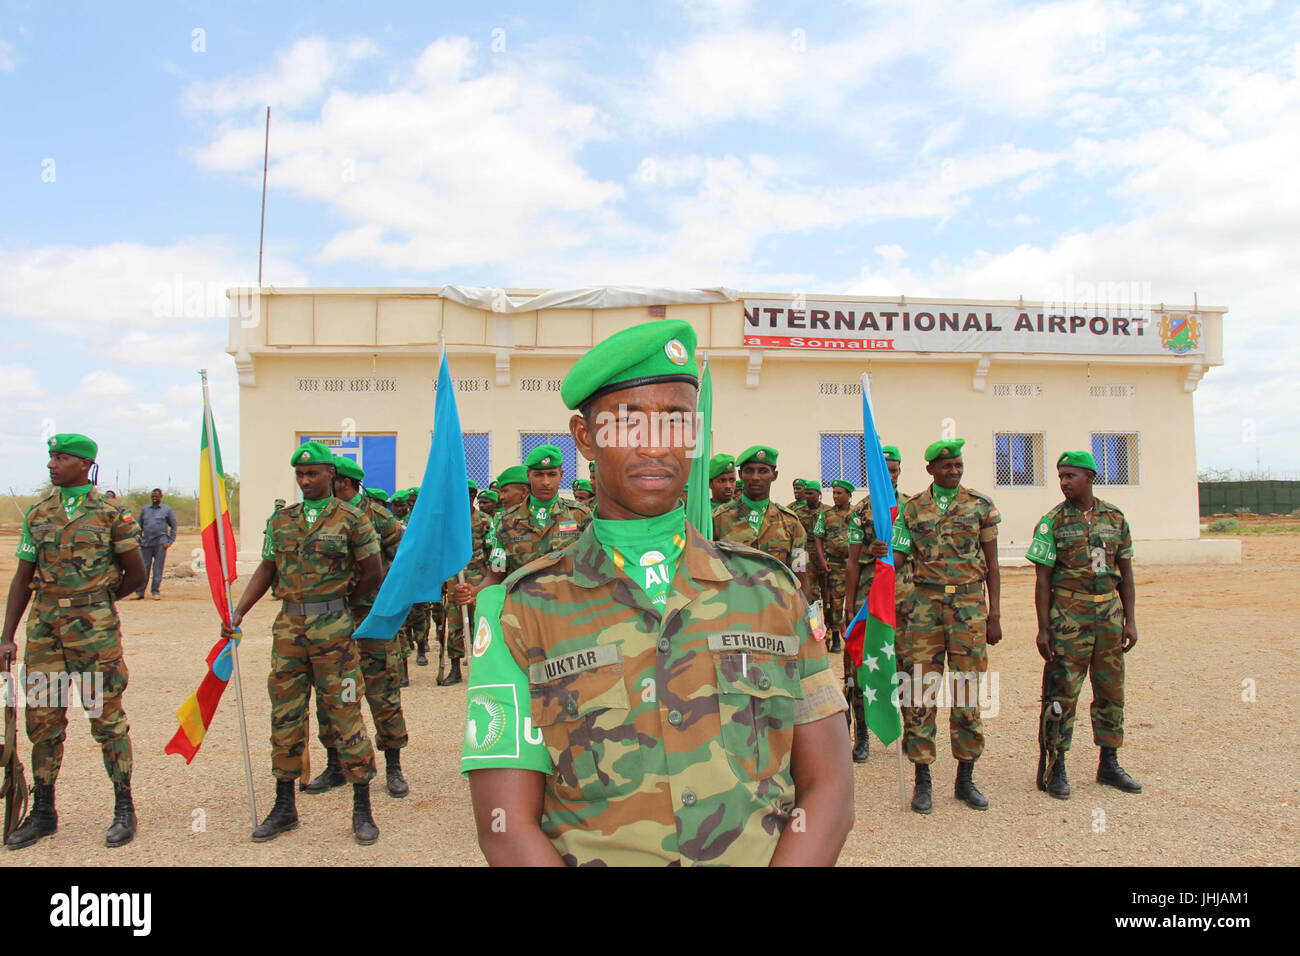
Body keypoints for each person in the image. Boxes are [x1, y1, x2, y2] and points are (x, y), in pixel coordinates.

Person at [460, 319, 853, 866]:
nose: (654, 445)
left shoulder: (771, 592)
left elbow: (829, 789)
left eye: (675, 423)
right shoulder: (518, 609)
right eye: (626, 423)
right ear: (585, 438)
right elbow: (506, 826)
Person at [221, 442, 383, 845]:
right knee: (286, 715)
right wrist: (238, 610)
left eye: (313, 474)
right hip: (289, 628)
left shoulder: (351, 519)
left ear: (332, 476)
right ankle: (284, 807)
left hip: (334, 631)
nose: (306, 480)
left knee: (345, 713)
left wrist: (342, 603)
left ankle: (362, 807)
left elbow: (372, 572)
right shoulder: (282, 520)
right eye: (300, 474)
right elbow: (267, 567)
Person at [1, 434, 145, 849]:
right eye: (51, 457)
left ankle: (124, 807)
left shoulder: (110, 512)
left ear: (85, 464)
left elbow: (134, 572)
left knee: (105, 718)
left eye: (61, 457)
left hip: (94, 633)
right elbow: (22, 577)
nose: (52, 464)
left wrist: (97, 603)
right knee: (43, 721)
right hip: (45, 630)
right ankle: (43, 811)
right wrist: (6, 636)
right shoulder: (39, 513)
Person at [890, 439, 1001, 814]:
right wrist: (885, 553)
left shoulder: (981, 505)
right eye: (946, 466)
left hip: (969, 605)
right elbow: (900, 556)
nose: (953, 471)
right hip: (924, 605)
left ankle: (966, 778)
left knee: (968, 688)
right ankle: (923, 779)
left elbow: (993, 564)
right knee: (919, 689)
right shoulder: (911, 509)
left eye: (958, 465)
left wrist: (994, 614)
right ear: (930, 470)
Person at [1027, 451, 1141, 800]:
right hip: (1069, 617)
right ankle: (1056, 766)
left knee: (1110, 691)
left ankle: (1109, 762)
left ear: (1090, 477)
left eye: (1071, 476)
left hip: (1108, 616)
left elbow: (1125, 574)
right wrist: (1044, 628)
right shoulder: (1052, 522)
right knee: (1063, 694)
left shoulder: (1115, 519)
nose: (1064, 482)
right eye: (1061, 476)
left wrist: (1130, 620)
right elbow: (1043, 580)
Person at [303, 456, 409, 798]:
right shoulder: (319, 515)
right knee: (332, 693)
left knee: (383, 691)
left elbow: (404, 555)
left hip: (373, 619)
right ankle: (336, 764)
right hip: (333, 621)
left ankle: (393, 766)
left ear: (344, 484)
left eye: (330, 481)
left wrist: (388, 597)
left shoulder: (377, 517)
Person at [843, 447, 913, 762]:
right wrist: (848, 605)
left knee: (907, 667)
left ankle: (911, 733)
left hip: (906, 600)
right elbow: (853, 562)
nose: (890, 476)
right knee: (861, 668)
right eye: (884, 471)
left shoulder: (913, 508)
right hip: (868, 600)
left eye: (894, 470)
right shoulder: (861, 511)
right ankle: (861, 736)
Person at [457, 448, 591, 595]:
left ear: (561, 475)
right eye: (539, 475)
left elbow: (593, 566)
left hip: (568, 609)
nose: (546, 482)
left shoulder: (580, 515)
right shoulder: (506, 523)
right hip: (523, 612)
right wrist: (475, 591)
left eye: (551, 474)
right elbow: (497, 573)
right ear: (529, 476)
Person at [712, 446, 812, 602]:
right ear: (740, 475)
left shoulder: (790, 523)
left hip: (777, 611)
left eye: (763, 471)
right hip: (732, 612)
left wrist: (805, 617)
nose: (756, 477)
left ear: (775, 475)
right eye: (749, 471)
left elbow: (800, 575)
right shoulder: (718, 519)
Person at [438, 479, 492, 687]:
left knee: (481, 623)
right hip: (454, 579)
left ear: (473, 496)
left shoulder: (484, 520)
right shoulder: (448, 522)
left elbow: (491, 552)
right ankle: (454, 668)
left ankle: (483, 667)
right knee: (454, 623)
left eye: (467, 494)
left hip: (479, 578)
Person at [815, 480, 854, 657]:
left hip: (854, 564)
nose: (835, 496)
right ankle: (836, 637)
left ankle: (854, 635)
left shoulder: (856, 514)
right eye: (834, 493)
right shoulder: (826, 514)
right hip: (836, 565)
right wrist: (822, 559)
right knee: (835, 603)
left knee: (854, 602)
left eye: (839, 493)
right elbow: (818, 536)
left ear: (849, 495)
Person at [134, 488, 177, 600]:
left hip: (160, 544)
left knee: (157, 568)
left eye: (156, 496)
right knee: (143, 568)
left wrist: (170, 541)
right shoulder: (145, 509)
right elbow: (139, 526)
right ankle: (140, 592)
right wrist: (139, 540)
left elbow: (174, 526)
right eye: (152, 497)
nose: (154, 498)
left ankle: (155, 591)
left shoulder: (167, 510)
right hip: (146, 544)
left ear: (161, 497)